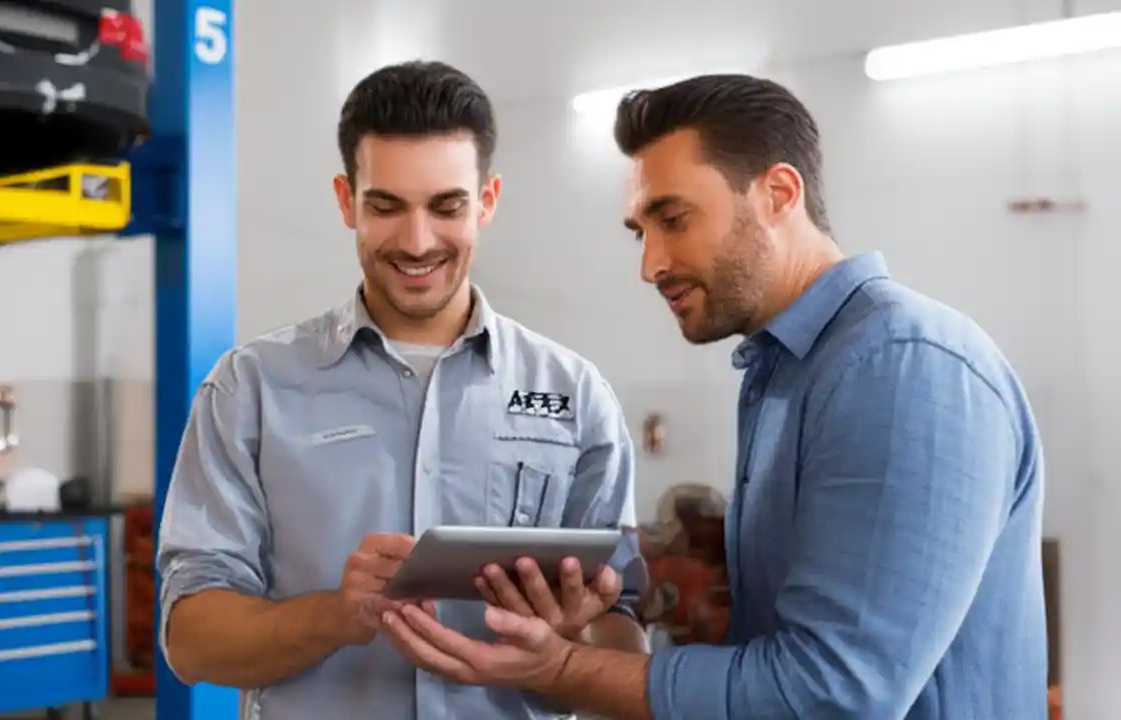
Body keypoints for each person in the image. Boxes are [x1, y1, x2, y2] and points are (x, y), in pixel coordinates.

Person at [380, 73, 1048, 720]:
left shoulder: (902, 367)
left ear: (779, 193)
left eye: (673, 219)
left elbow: (834, 695)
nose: (651, 264)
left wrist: (560, 671)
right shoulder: (789, 374)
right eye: (641, 231)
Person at [155, 59, 648, 719]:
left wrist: (572, 634)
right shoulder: (251, 388)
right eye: (386, 207)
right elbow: (191, 642)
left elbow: (622, 634)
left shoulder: (575, 395)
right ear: (345, 200)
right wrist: (337, 614)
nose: (417, 242)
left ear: (488, 202)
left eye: (447, 207)